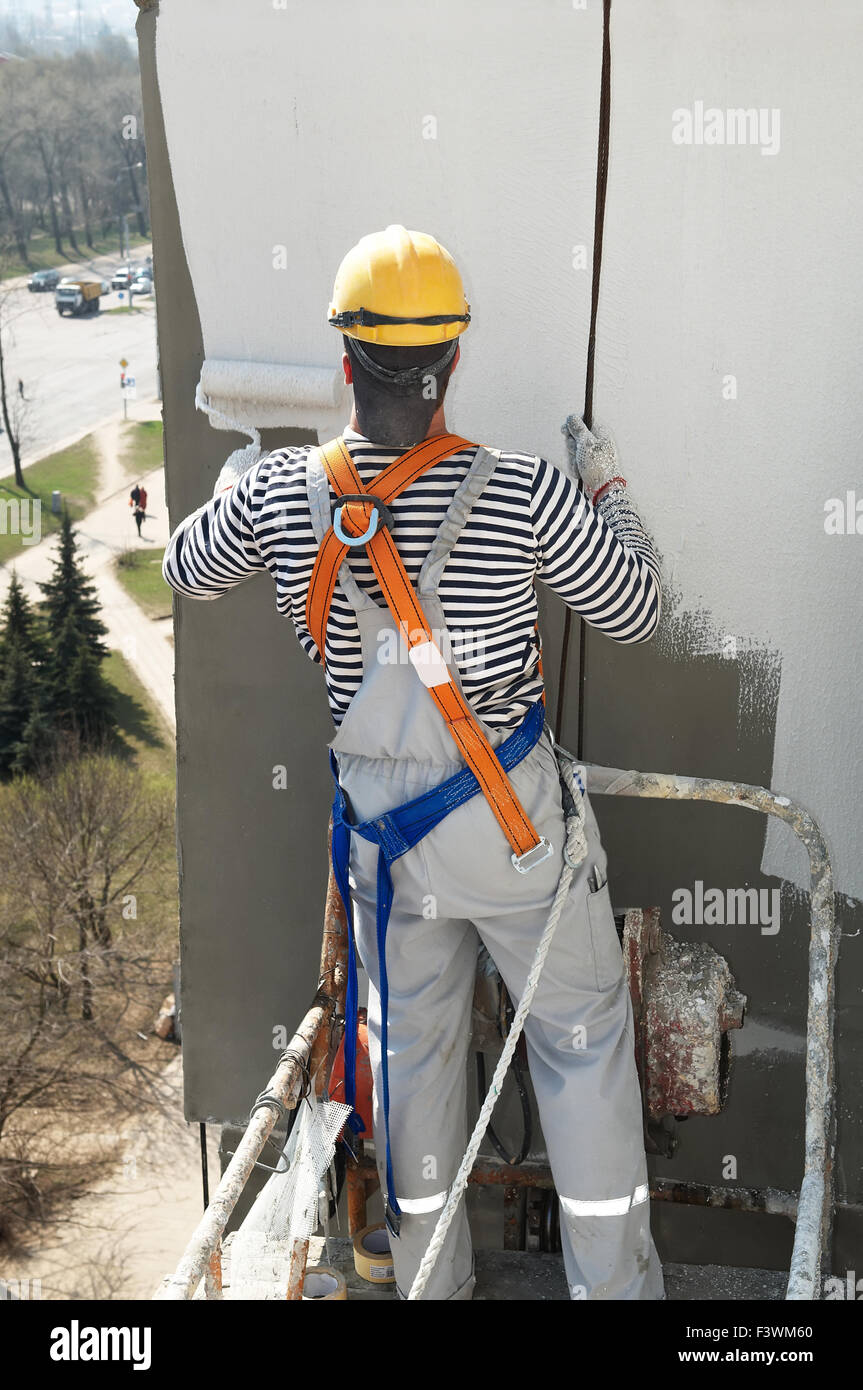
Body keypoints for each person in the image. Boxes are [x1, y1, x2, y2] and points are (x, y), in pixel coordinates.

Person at [162, 225, 665, 1302]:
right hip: (510, 825)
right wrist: (608, 488)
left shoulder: (283, 495)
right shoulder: (524, 490)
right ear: (453, 362)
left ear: (345, 361)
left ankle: (432, 1286)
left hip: (387, 851)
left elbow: (185, 568)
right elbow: (634, 604)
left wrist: (242, 471)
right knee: (577, 1046)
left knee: (415, 1068)